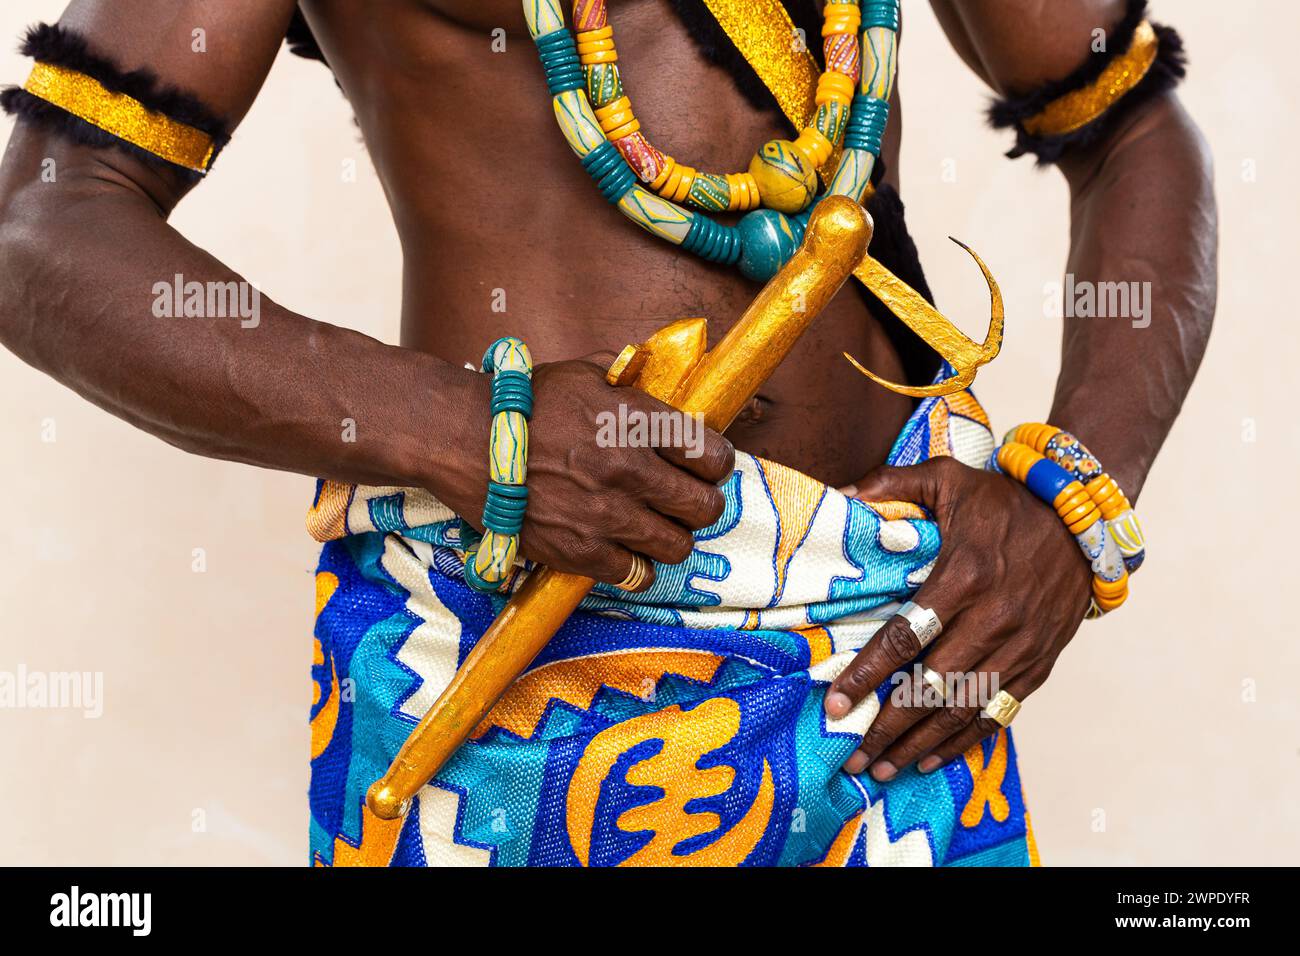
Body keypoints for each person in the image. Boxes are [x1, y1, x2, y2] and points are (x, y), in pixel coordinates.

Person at [0, 0, 1215, 866]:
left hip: (900, 638)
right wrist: (471, 433)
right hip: (509, 639)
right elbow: (45, 229)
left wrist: (1078, 495)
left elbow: (1130, 125)